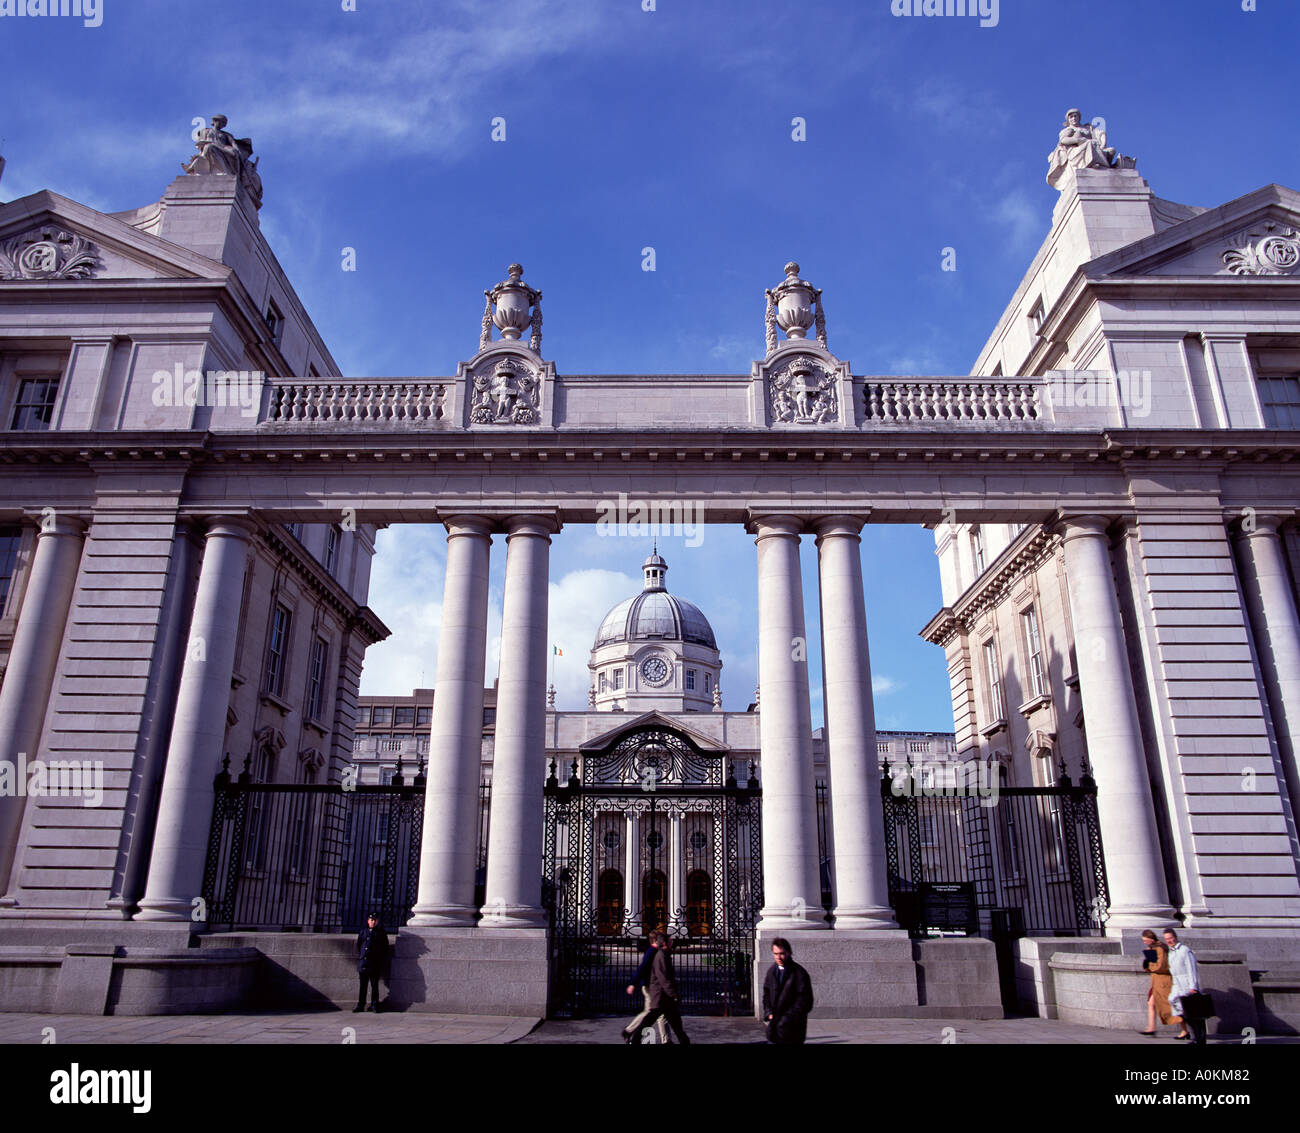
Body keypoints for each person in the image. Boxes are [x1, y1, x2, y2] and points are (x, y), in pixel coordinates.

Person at [629, 931, 691, 1045]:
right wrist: (673, 994)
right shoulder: (661, 955)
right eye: (670, 940)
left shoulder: (665, 954)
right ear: (665, 943)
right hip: (661, 995)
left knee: (674, 1022)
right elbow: (663, 978)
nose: (672, 942)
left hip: (664, 996)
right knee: (650, 1020)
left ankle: (681, 1041)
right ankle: (636, 1039)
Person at [762, 937, 815, 1044]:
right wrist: (769, 1012)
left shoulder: (799, 973)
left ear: (789, 952)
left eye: (781, 953)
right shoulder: (771, 971)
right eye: (775, 954)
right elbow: (766, 994)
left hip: (793, 1030)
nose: (778, 957)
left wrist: (787, 1019)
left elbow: (805, 1001)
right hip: (775, 1029)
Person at [621, 940, 670, 1045]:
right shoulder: (652, 952)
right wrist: (633, 984)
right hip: (650, 987)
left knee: (650, 1012)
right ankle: (666, 1041)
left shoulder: (655, 951)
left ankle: (628, 1031)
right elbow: (642, 968)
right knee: (659, 1013)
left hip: (651, 986)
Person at [1162, 928, 1205, 1044]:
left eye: (1170, 938)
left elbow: (1192, 969)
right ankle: (1196, 1035)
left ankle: (1198, 1038)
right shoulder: (1170, 952)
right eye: (1167, 939)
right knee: (1174, 1002)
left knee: (1193, 1013)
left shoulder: (1185, 950)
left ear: (1175, 937)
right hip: (1177, 985)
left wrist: (1193, 986)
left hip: (1187, 984)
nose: (1169, 941)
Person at [1139, 928, 1180, 1037]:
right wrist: (1148, 964)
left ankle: (1185, 1029)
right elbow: (1152, 965)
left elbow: (1160, 966)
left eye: (1146, 940)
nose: (1145, 942)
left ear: (1151, 939)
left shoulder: (1160, 948)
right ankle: (1151, 1028)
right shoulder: (1153, 948)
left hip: (1163, 981)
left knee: (1171, 1006)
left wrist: (1150, 966)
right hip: (1156, 981)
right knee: (1151, 1003)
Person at [355, 912, 390, 1013]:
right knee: (363, 986)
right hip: (364, 963)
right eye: (371, 920)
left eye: (375, 920)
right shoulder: (363, 931)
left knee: (374, 986)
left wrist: (379, 959)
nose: (373, 922)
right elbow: (359, 945)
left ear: (377, 921)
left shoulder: (381, 933)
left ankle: (375, 1005)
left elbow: (384, 947)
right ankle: (361, 1005)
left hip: (374, 963)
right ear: (368, 921)